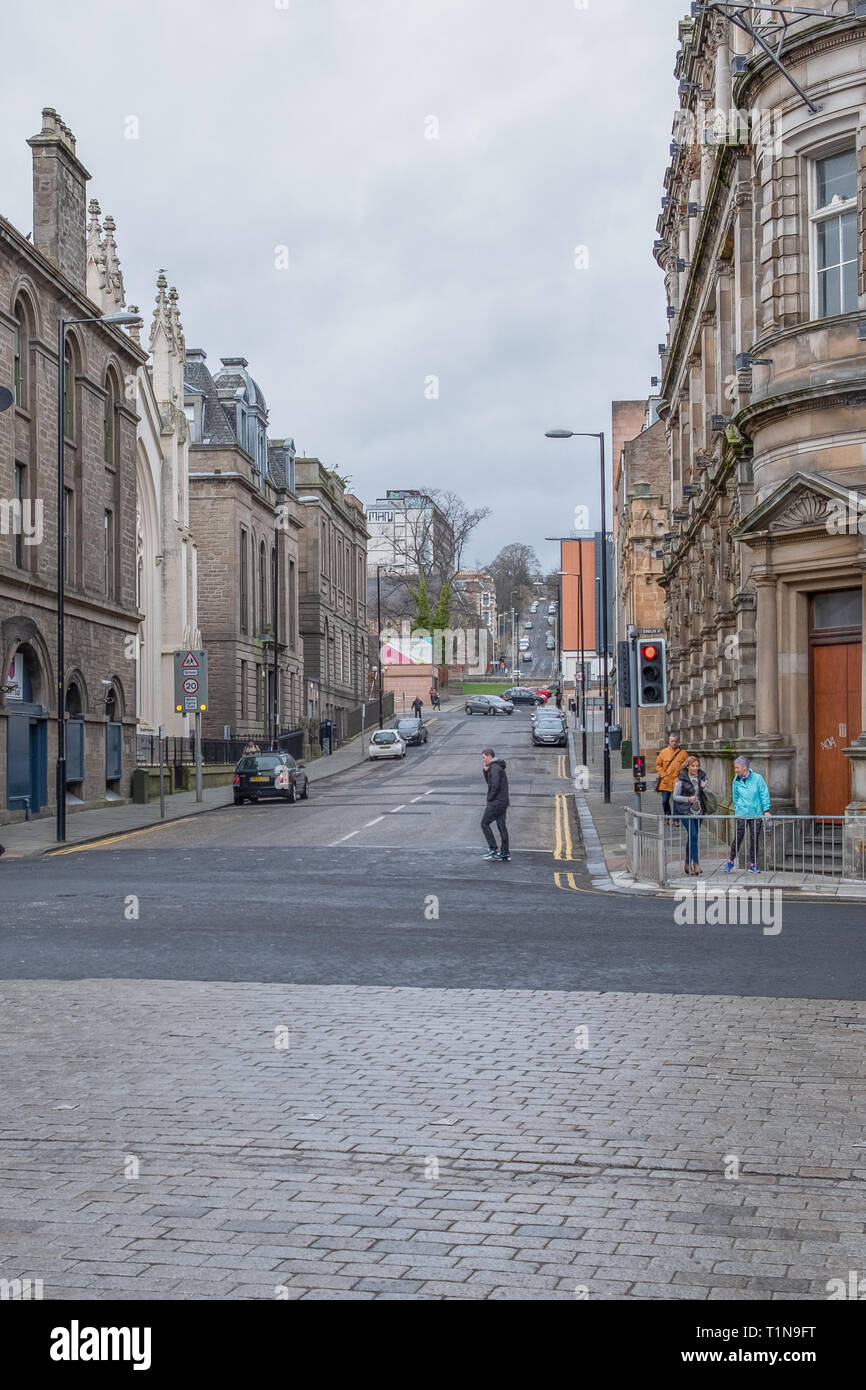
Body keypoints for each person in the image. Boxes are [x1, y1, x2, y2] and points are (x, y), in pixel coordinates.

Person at [724, 756, 771, 873]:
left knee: (754, 840)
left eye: (737, 768)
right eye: (735, 768)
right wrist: (737, 809)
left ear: (745, 767)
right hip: (741, 814)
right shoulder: (736, 780)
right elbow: (735, 796)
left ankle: (753, 864)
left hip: (756, 814)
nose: (735, 770)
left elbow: (764, 793)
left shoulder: (758, 778)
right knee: (738, 839)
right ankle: (730, 861)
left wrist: (766, 809)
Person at [673, 755, 709, 876]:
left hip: (699, 812)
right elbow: (675, 797)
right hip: (685, 811)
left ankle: (687, 864)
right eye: (693, 766)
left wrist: (705, 787)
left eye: (697, 766)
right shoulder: (681, 779)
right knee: (693, 835)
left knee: (692, 837)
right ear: (687, 766)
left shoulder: (702, 776)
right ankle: (696, 864)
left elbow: (708, 794)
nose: (695, 768)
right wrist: (687, 799)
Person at [481, 748, 510, 862]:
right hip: (503, 802)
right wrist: (485, 771)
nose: (483, 760)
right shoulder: (496, 767)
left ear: (489, 756)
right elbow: (491, 782)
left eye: (484, 757)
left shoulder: (494, 768)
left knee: (484, 823)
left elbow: (494, 785)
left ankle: (493, 849)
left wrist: (490, 798)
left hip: (496, 802)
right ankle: (505, 853)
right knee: (501, 826)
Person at [655, 733, 689, 817]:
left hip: (677, 780)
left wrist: (683, 777)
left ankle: (676, 819)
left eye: (675, 741)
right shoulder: (663, 752)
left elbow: (687, 765)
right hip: (666, 780)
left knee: (676, 800)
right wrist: (663, 775)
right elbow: (658, 765)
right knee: (665, 800)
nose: (674, 743)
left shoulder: (683, 753)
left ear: (678, 742)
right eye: (672, 741)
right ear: (669, 742)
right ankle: (667, 815)